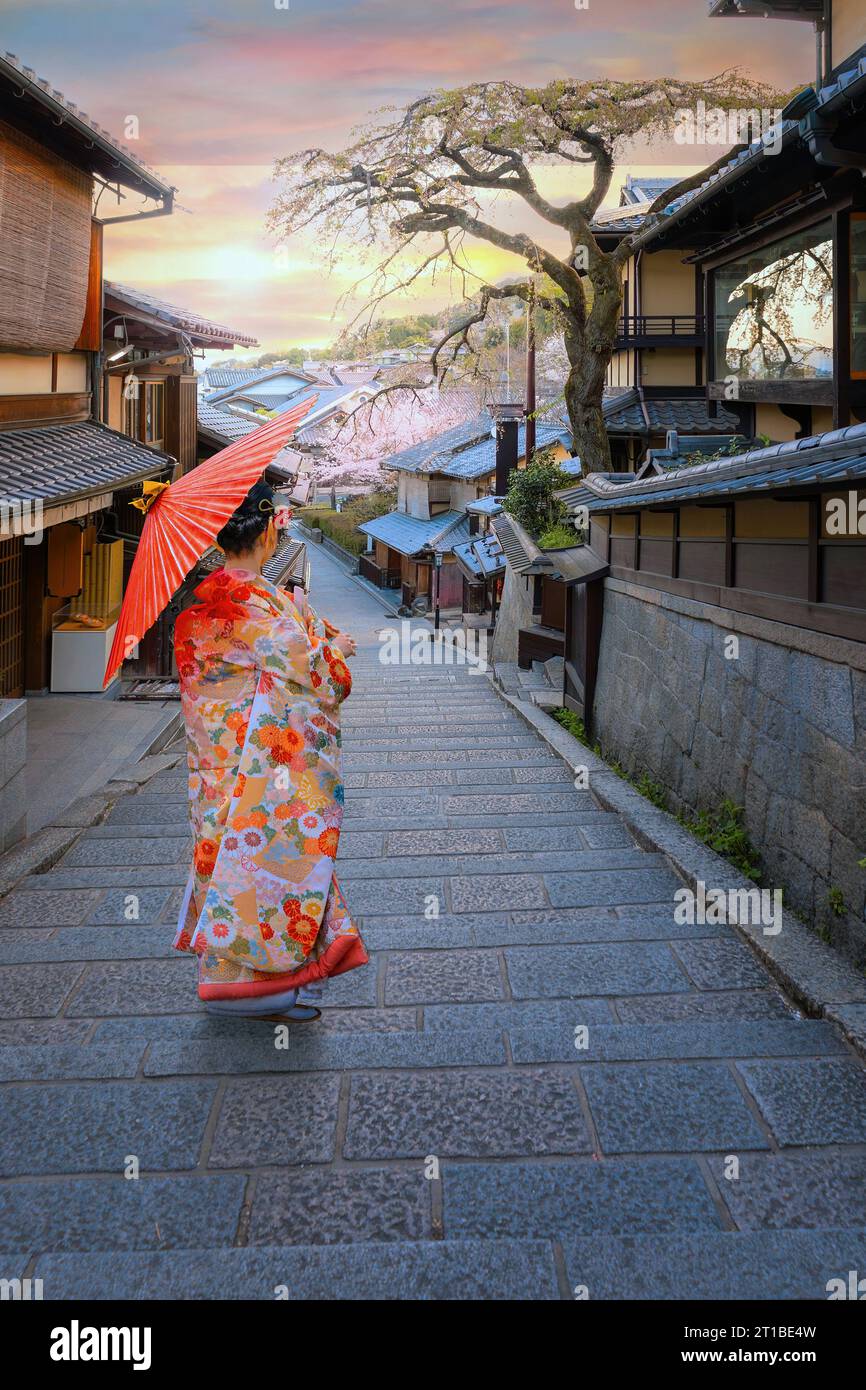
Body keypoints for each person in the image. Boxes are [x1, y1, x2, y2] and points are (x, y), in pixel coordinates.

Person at [171, 480, 368, 1022]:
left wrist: (304, 622)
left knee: (226, 867)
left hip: (214, 769)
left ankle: (227, 983)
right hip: (261, 772)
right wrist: (336, 647)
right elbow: (320, 675)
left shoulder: (199, 610)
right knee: (272, 867)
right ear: (265, 533)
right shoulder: (257, 608)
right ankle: (269, 990)